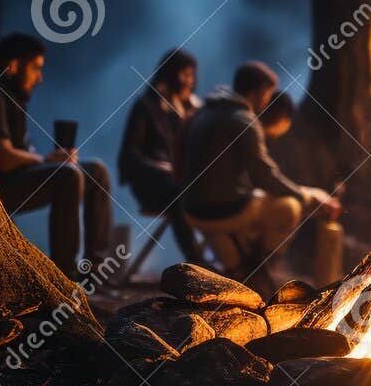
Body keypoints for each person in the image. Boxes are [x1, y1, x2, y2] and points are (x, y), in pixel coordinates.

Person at [179, 62, 338, 280]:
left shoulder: (202, 113)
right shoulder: (245, 120)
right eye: (267, 94)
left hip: (191, 210)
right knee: (290, 207)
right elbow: (265, 177)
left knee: (258, 204)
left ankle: (238, 268)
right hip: (224, 211)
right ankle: (259, 265)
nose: (267, 101)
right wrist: (305, 196)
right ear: (258, 92)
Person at [0, 32, 113, 280]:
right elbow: (3, 158)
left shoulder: (13, 96)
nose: (39, 78)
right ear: (14, 65)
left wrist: (51, 158)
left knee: (96, 171)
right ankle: (66, 274)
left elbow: (19, 153)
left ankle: (96, 271)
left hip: (19, 177)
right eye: (35, 68)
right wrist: (47, 161)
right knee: (67, 176)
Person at [118, 48, 201, 263]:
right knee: (179, 192)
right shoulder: (146, 106)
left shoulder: (192, 109)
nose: (189, 81)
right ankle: (197, 260)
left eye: (191, 75)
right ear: (170, 74)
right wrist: (161, 167)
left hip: (183, 183)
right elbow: (130, 155)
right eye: (184, 74)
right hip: (151, 184)